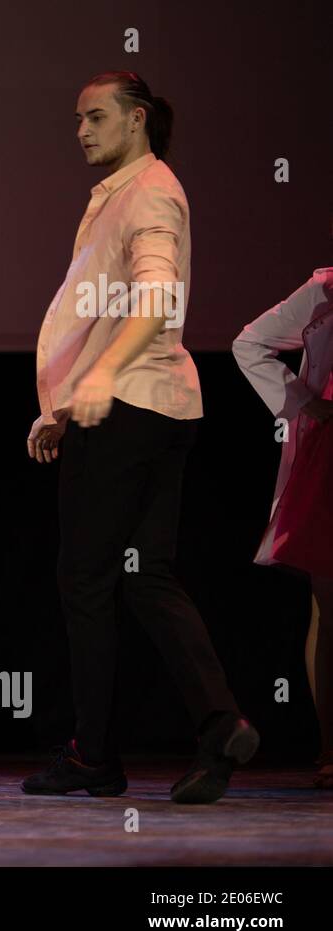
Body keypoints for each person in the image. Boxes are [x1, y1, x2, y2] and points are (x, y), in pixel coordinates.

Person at [24, 72, 258, 804]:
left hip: (127, 410)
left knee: (85, 581)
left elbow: (158, 296)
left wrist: (99, 382)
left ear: (139, 119)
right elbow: (102, 310)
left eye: (95, 117)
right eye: (78, 119)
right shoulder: (122, 193)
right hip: (155, 404)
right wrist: (61, 400)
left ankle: (93, 754)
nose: (81, 130)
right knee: (142, 575)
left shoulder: (150, 191)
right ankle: (220, 726)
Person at [233, 268, 333, 787]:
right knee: (329, 605)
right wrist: (304, 401)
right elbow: (249, 343)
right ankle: (331, 750)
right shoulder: (327, 290)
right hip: (329, 453)